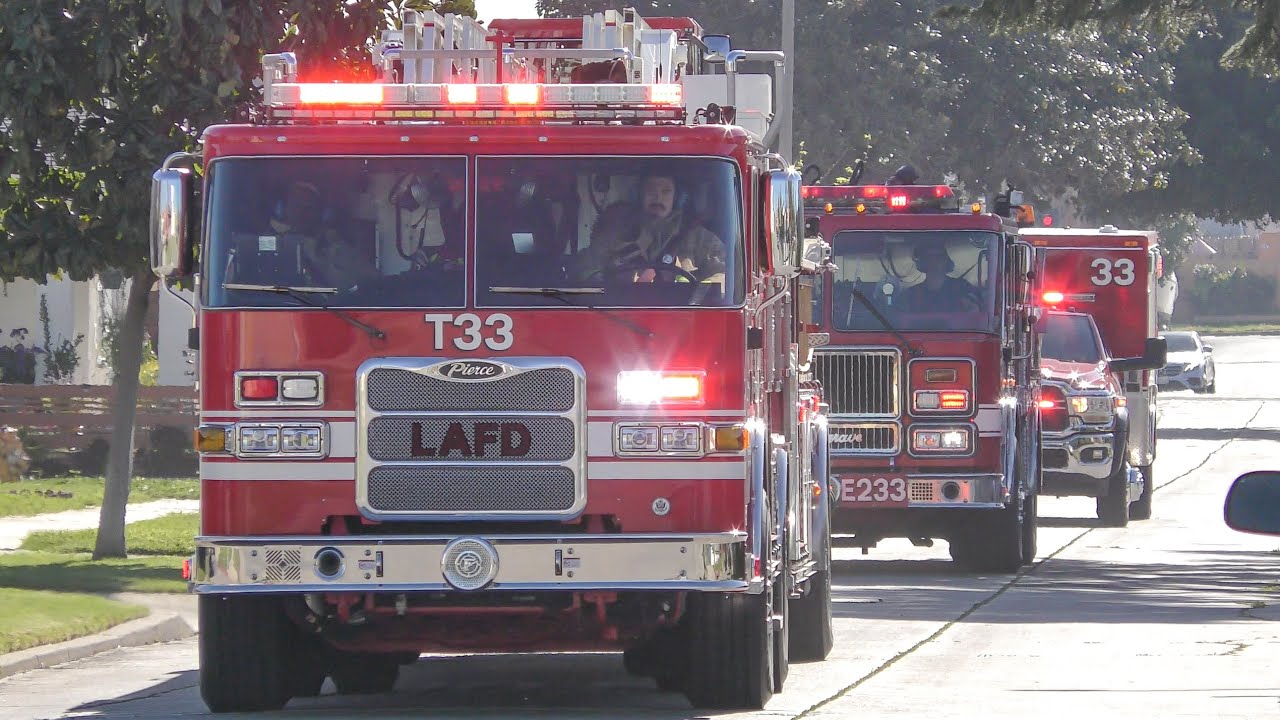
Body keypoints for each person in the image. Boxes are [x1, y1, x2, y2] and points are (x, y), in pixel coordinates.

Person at [575, 172, 726, 285]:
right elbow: (584, 266)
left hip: (681, 320)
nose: (657, 198)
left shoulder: (701, 240)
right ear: (639, 195)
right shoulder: (617, 234)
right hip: (620, 318)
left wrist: (697, 297)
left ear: (678, 197)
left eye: (666, 191)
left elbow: (723, 275)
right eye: (650, 190)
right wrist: (599, 280)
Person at [267, 181, 379, 290]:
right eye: (297, 205)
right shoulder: (269, 244)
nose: (303, 212)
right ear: (281, 209)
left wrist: (322, 258)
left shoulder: (334, 245)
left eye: (309, 207)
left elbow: (368, 279)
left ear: (321, 214)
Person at [896, 242, 981, 312]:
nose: (934, 261)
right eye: (928, 257)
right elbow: (901, 321)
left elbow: (977, 313)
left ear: (946, 260)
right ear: (922, 262)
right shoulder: (911, 294)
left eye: (938, 257)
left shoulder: (962, 287)